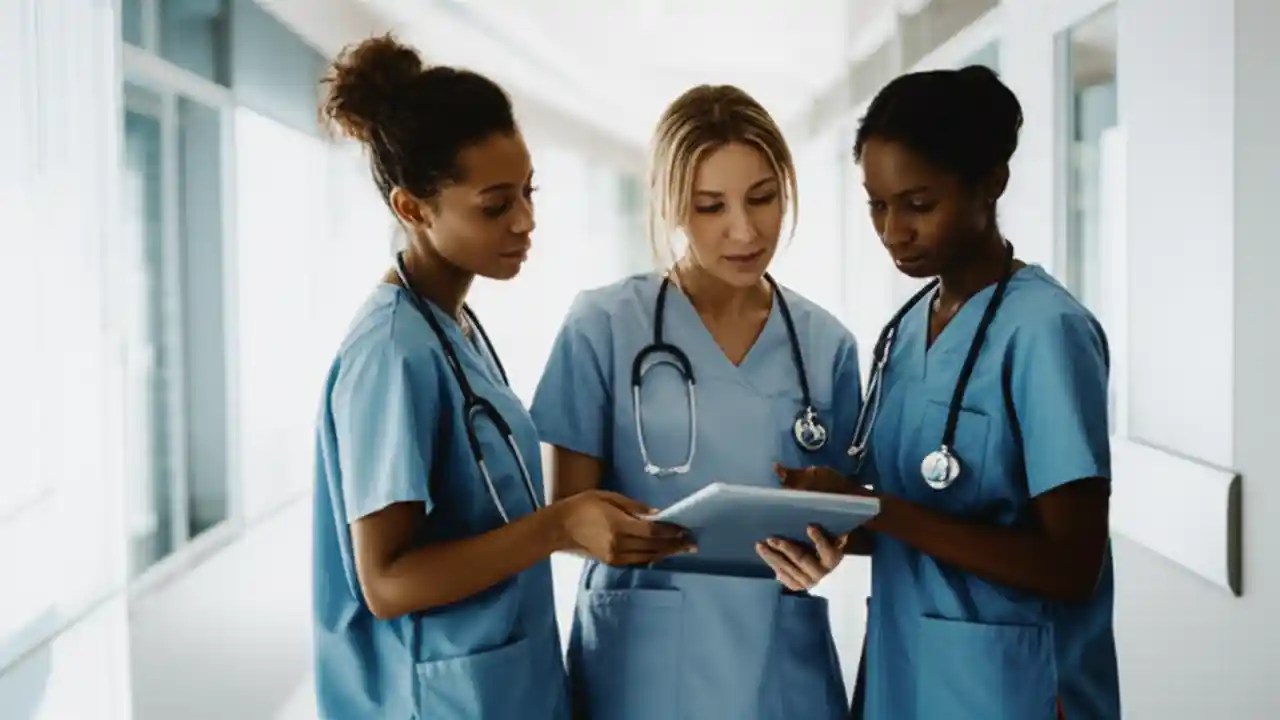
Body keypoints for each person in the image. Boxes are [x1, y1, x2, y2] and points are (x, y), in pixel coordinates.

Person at [311, 35, 691, 719]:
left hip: (499, 687)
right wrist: (557, 527)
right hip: (435, 700)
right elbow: (387, 582)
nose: (525, 221)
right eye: (495, 205)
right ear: (412, 209)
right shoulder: (390, 353)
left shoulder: (452, 325)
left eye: (527, 192)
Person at [778, 66, 1119, 719]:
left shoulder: (1047, 332)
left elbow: (1072, 565)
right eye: (877, 204)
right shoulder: (904, 332)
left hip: (1014, 686)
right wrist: (828, 517)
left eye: (918, 203)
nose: (892, 230)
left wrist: (878, 512)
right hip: (904, 672)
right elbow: (911, 519)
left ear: (991, 182)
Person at [530, 84, 862, 720]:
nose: (744, 230)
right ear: (672, 206)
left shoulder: (825, 345)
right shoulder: (602, 325)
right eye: (710, 206)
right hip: (643, 660)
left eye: (763, 199)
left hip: (779, 660)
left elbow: (842, 505)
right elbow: (565, 517)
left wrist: (826, 553)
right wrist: (619, 536)